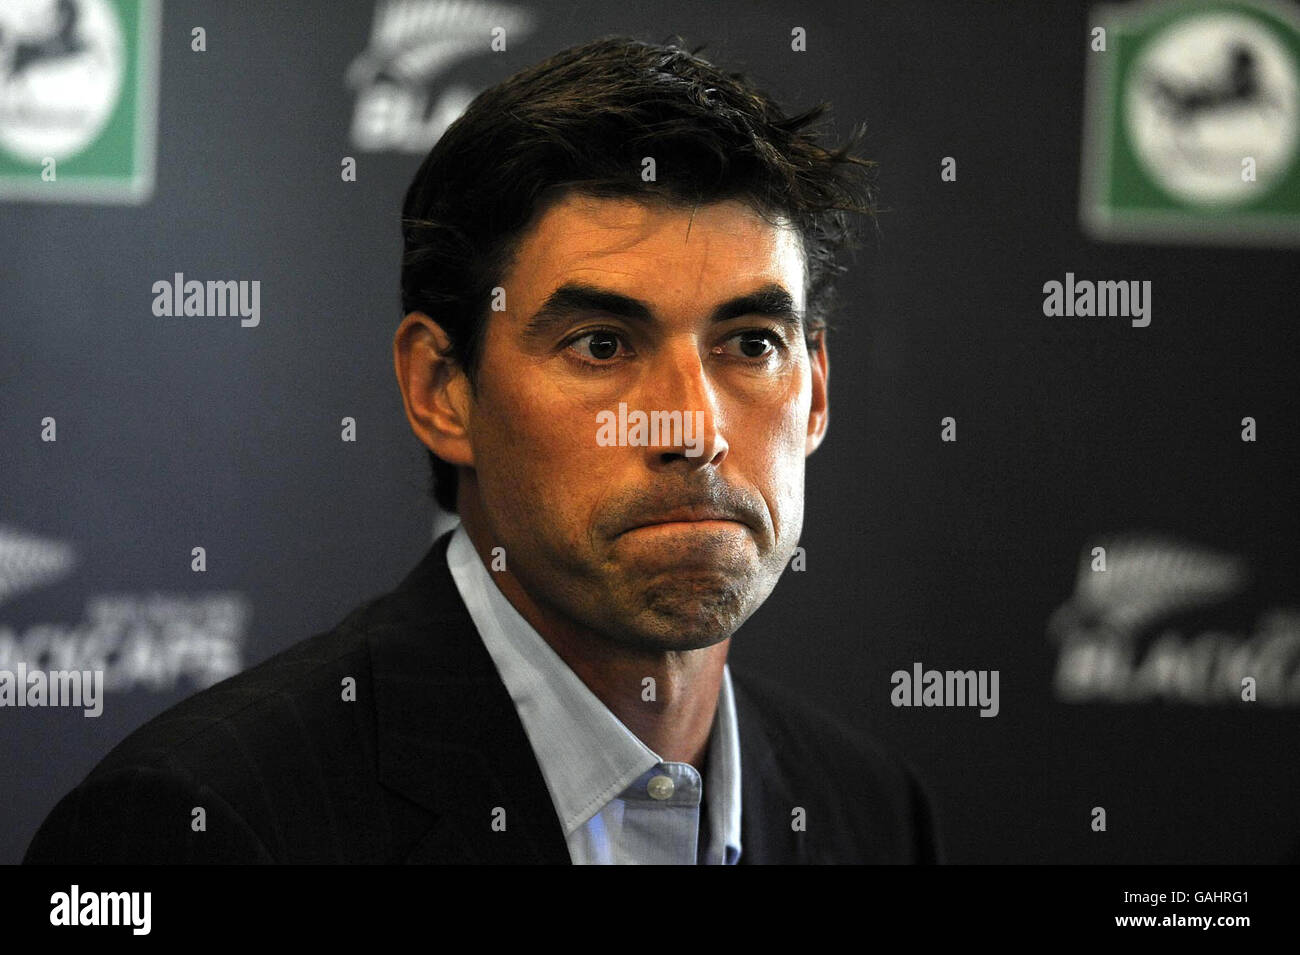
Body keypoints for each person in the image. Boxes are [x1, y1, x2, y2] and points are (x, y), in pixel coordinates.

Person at [25, 36, 941, 865]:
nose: (692, 430)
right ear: (441, 389)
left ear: (817, 390)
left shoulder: (872, 813)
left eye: (750, 343)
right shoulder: (200, 825)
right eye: (602, 345)